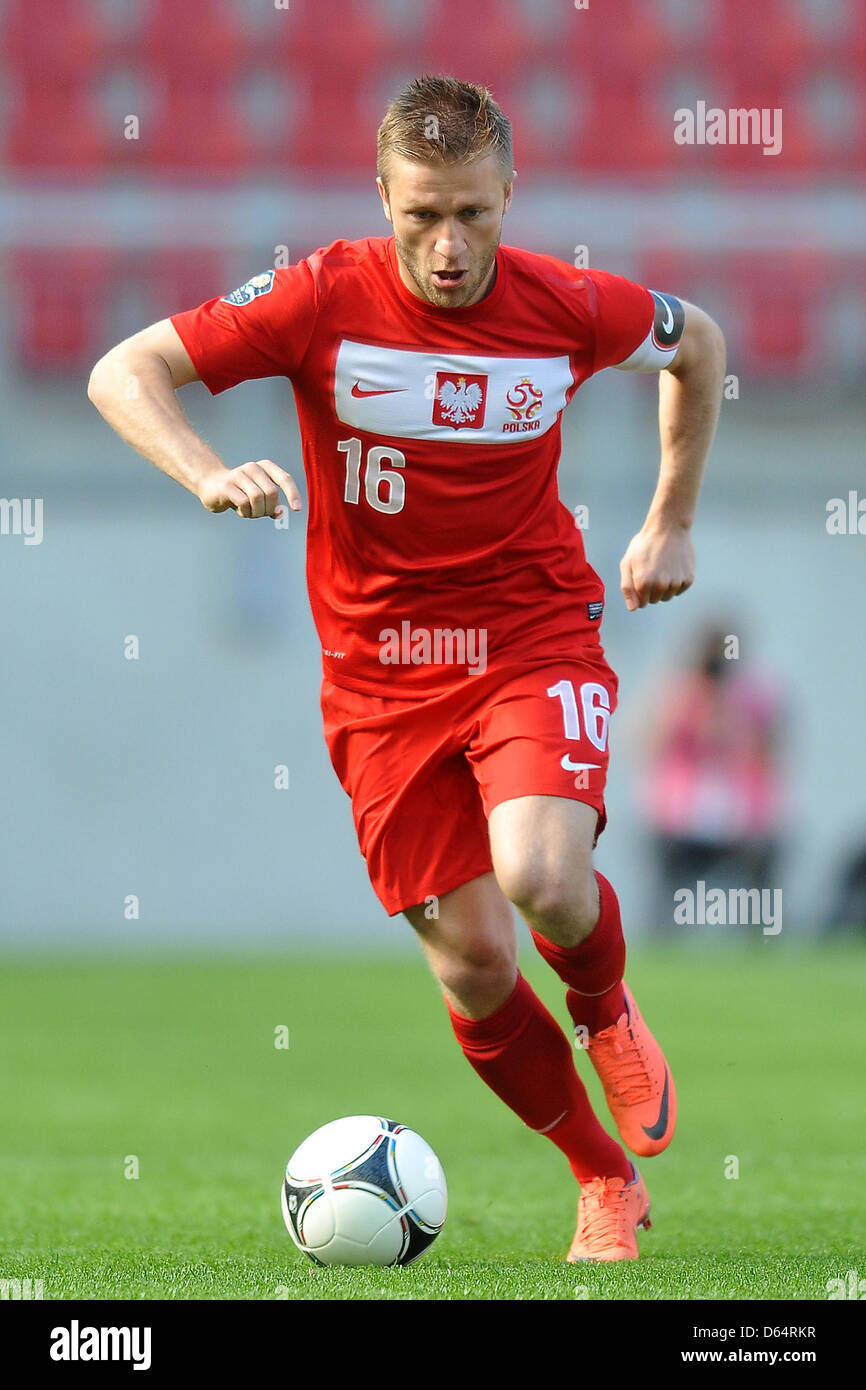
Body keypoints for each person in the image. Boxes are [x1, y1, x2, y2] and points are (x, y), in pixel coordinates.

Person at [87, 76, 726, 1262]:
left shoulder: (566, 304)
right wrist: (206, 472)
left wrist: (669, 519)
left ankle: (603, 1008)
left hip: (529, 635)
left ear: (508, 197)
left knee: (540, 874)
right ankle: (601, 1179)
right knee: (477, 961)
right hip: (378, 680)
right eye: (421, 213)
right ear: (381, 194)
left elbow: (698, 346)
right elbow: (123, 370)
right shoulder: (318, 295)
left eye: (473, 215)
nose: (446, 246)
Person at [635, 622, 787, 933]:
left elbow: (771, 753)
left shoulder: (752, 697)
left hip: (741, 819)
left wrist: (732, 722)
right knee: (667, 879)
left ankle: (759, 936)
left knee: (765, 859)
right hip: (682, 819)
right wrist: (686, 702)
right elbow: (646, 745)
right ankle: (663, 937)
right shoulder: (678, 694)